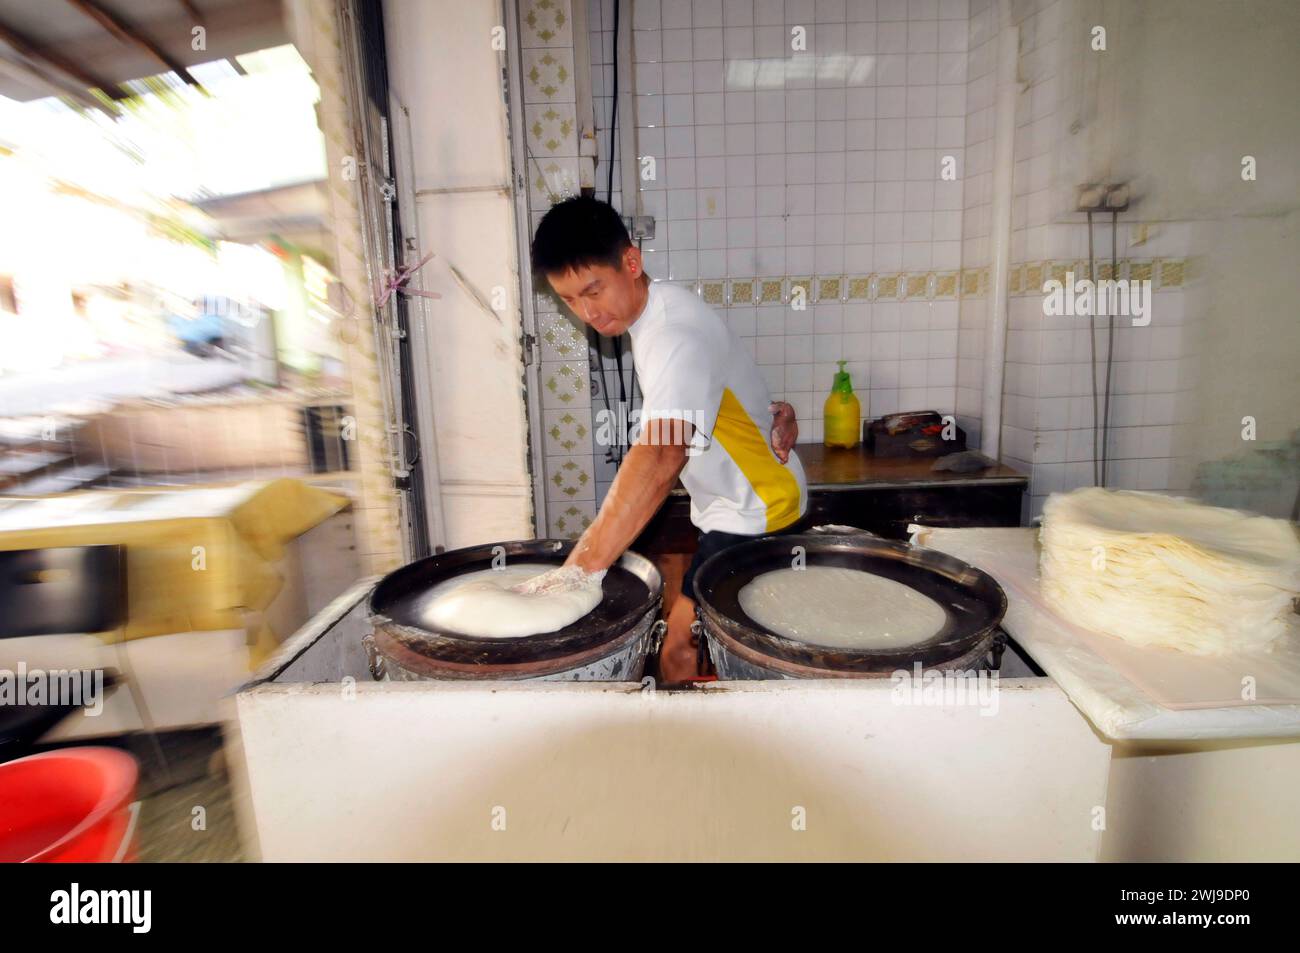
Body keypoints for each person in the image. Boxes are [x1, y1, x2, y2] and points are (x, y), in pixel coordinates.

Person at [526, 197, 809, 683]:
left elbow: (661, 452)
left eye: (593, 289)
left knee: (682, 644)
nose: (587, 311)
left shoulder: (671, 332)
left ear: (631, 262)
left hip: (756, 511)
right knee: (710, 645)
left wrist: (577, 571)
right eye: (569, 300)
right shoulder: (660, 312)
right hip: (749, 500)